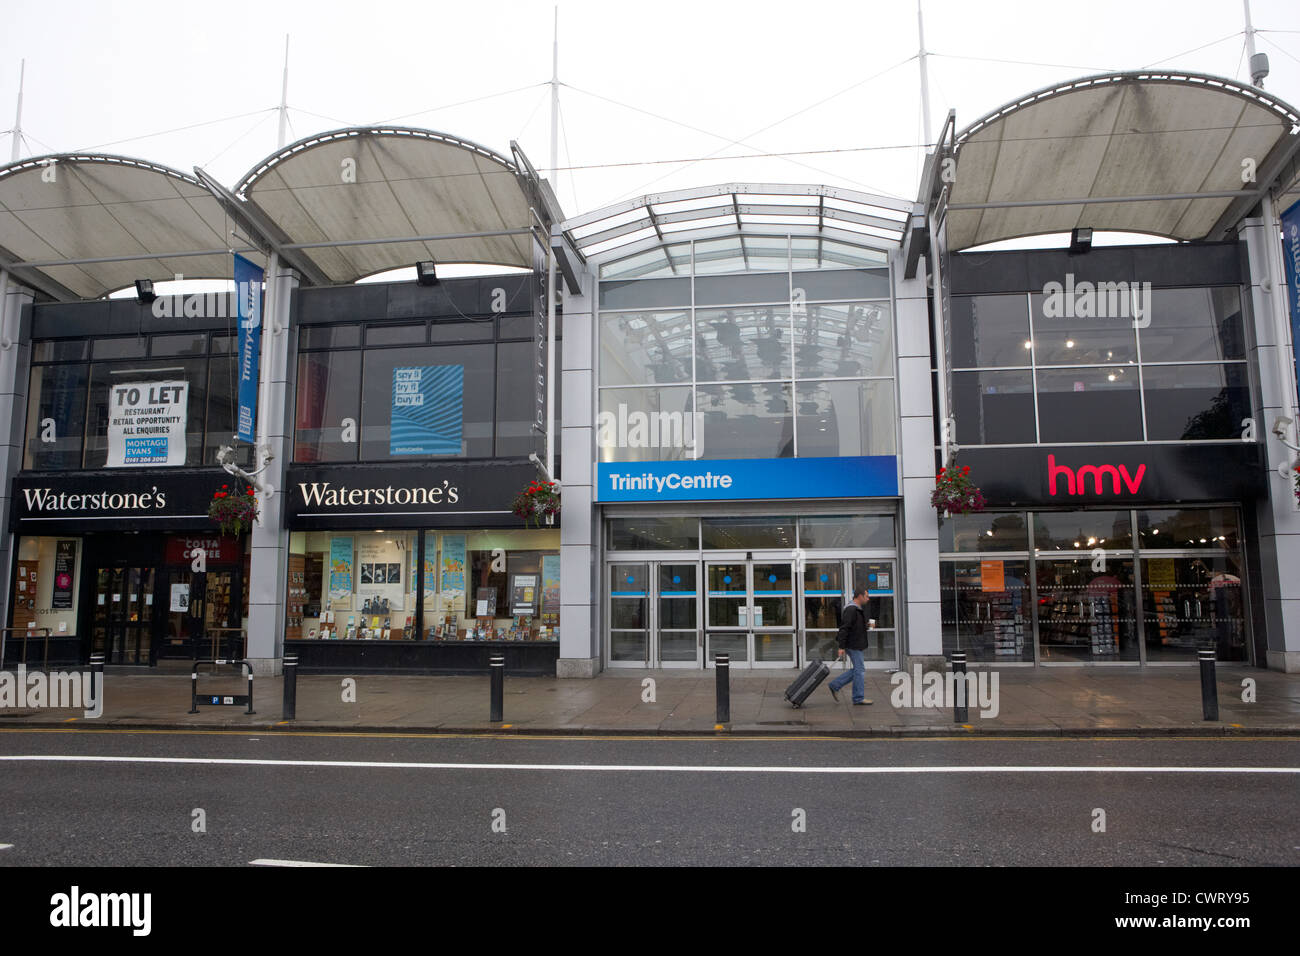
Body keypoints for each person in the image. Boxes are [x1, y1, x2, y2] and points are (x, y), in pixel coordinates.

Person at [828, 587, 873, 705]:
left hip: (855, 643)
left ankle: (835, 685)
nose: (868, 599)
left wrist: (866, 625)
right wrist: (841, 647)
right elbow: (844, 628)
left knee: (858, 670)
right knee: (860, 670)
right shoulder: (851, 609)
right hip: (852, 644)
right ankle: (858, 698)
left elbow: (854, 626)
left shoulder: (856, 609)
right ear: (859, 596)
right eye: (866, 596)